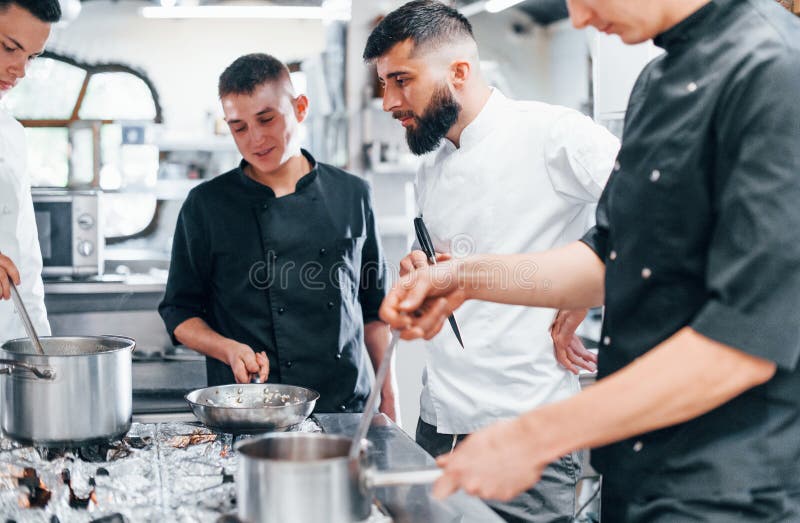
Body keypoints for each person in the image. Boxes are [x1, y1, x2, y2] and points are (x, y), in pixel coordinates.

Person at [379, 0, 800, 521]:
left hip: (730, 483)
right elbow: (608, 258)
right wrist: (462, 275)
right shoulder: (657, 80)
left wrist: (535, 434)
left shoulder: (774, 68)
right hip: (640, 467)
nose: (577, 19)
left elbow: (747, 335)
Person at [363, 2, 618, 521]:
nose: (388, 101)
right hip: (438, 421)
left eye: (400, 80)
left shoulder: (554, 134)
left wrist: (587, 285)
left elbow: (654, 215)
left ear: (459, 71)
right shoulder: (431, 164)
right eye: (383, 84)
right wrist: (422, 271)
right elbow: (454, 268)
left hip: (526, 427)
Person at [159, 53, 398, 420]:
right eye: (238, 127)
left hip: (344, 406)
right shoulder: (206, 206)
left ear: (300, 108)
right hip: (249, 409)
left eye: (266, 119)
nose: (255, 139)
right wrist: (226, 348)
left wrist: (389, 394)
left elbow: (373, 309)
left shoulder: (353, 194)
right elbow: (179, 312)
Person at [0, 0, 60, 344]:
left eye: (31, 57)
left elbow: (27, 264)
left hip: (8, 355)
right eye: (10, 48)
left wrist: (43, 354)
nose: (20, 70)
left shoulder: (12, 135)